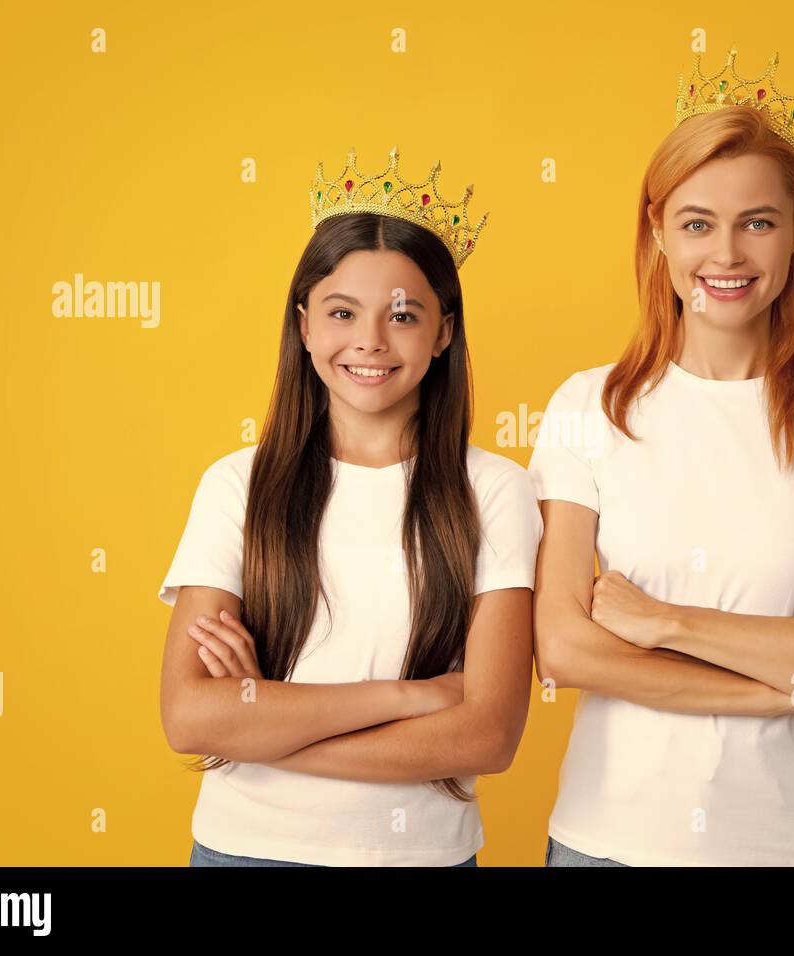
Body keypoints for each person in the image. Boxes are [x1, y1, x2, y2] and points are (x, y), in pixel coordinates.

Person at [529, 49, 794, 866]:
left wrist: (665, 625)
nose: (728, 256)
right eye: (698, 223)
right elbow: (564, 648)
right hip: (610, 842)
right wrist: (785, 682)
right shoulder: (588, 407)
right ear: (659, 232)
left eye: (758, 222)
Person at [156, 147, 542, 866]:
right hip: (243, 852)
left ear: (444, 332)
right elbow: (189, 717)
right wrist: (408, 698)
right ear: (304, 328)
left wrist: (265, 718)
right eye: (342, 311)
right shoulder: (236, 485)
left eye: (403, 315)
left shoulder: (494, 491)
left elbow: (487, 736)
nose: (369, 340)